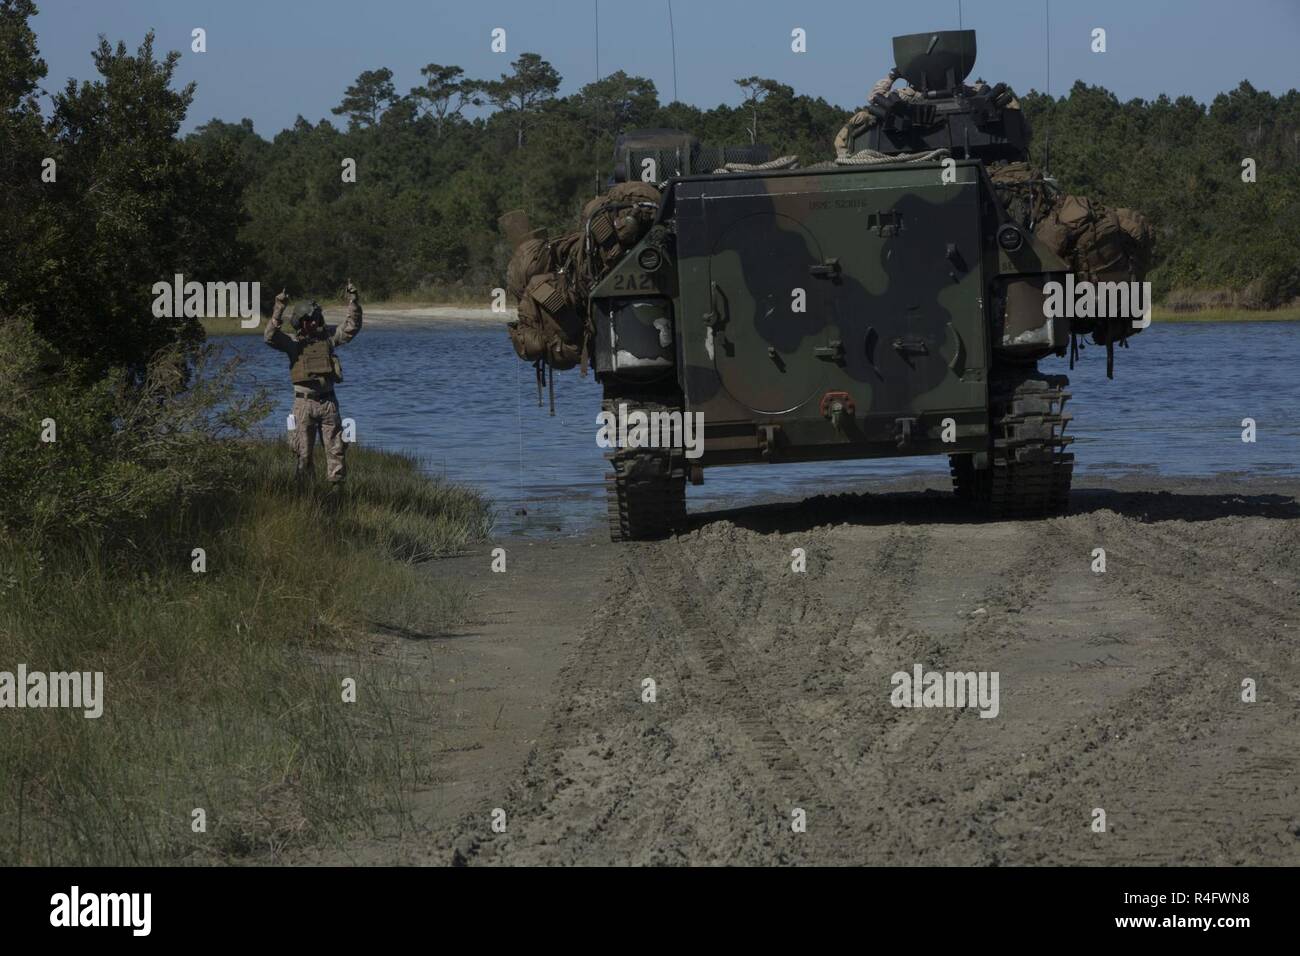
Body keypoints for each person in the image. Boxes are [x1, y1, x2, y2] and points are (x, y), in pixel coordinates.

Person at [264, 281, 362, 485]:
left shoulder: (328, 338)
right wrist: (279, 308)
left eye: (316, 318)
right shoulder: (292, 343)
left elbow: (352, 327)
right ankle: (306, 496)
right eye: (309, 320)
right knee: (303, 454)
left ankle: (336, 494)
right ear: (300, 321)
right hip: (304, 404)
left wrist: (353, 300)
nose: (313, 323)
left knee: (336, 452)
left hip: (328, 403)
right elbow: (270, 337)